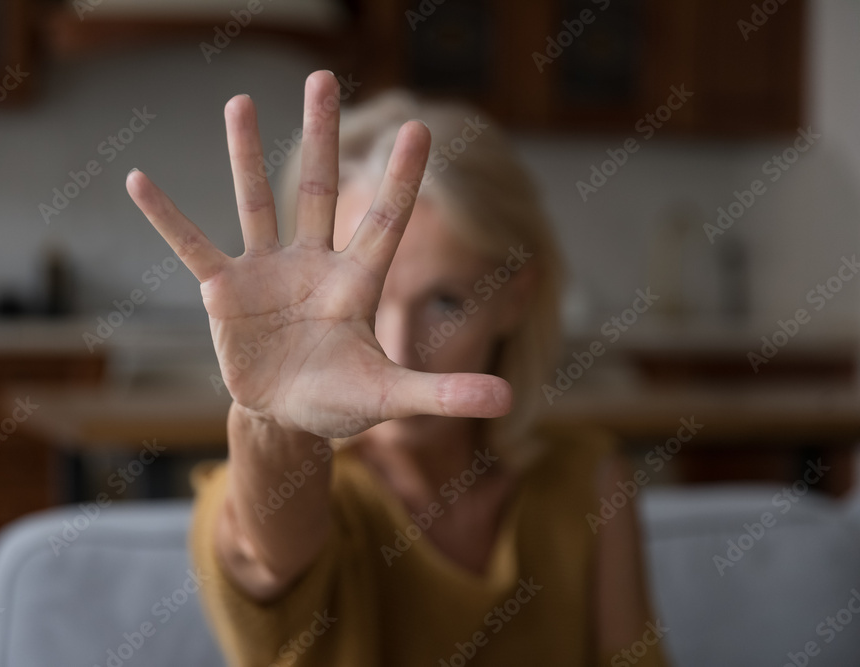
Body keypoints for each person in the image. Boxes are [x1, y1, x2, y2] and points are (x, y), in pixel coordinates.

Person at [126, 70, 669, 666]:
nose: (398, 350)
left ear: (514, 298)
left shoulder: (586, 480)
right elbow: (262, 554)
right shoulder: (309, 493)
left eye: (445, 302)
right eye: (363, 307)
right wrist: (273, 418)